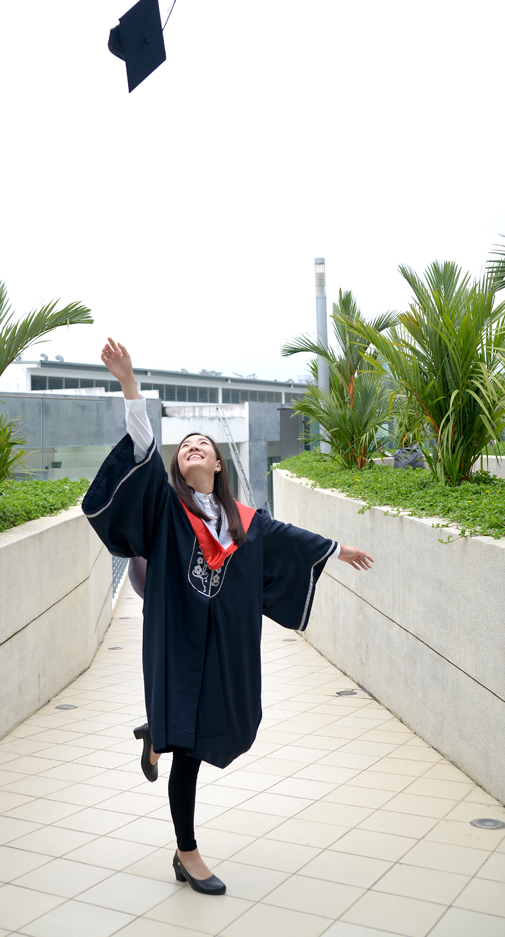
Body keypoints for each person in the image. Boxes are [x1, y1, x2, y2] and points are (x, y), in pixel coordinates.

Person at [82, 339, 374, 896]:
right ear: (179, 464)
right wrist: (129, 385)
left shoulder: (246, 521)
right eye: (184, 445)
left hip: (222, 649)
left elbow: (290, 540)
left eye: (202, 444)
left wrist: (338, 550)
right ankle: (186, 852)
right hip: (179, 638)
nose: (192, 447)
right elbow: (142, 451)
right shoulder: (167, 510)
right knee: (188, 752)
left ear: (218, 463)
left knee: (232, 724)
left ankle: (156, 733)